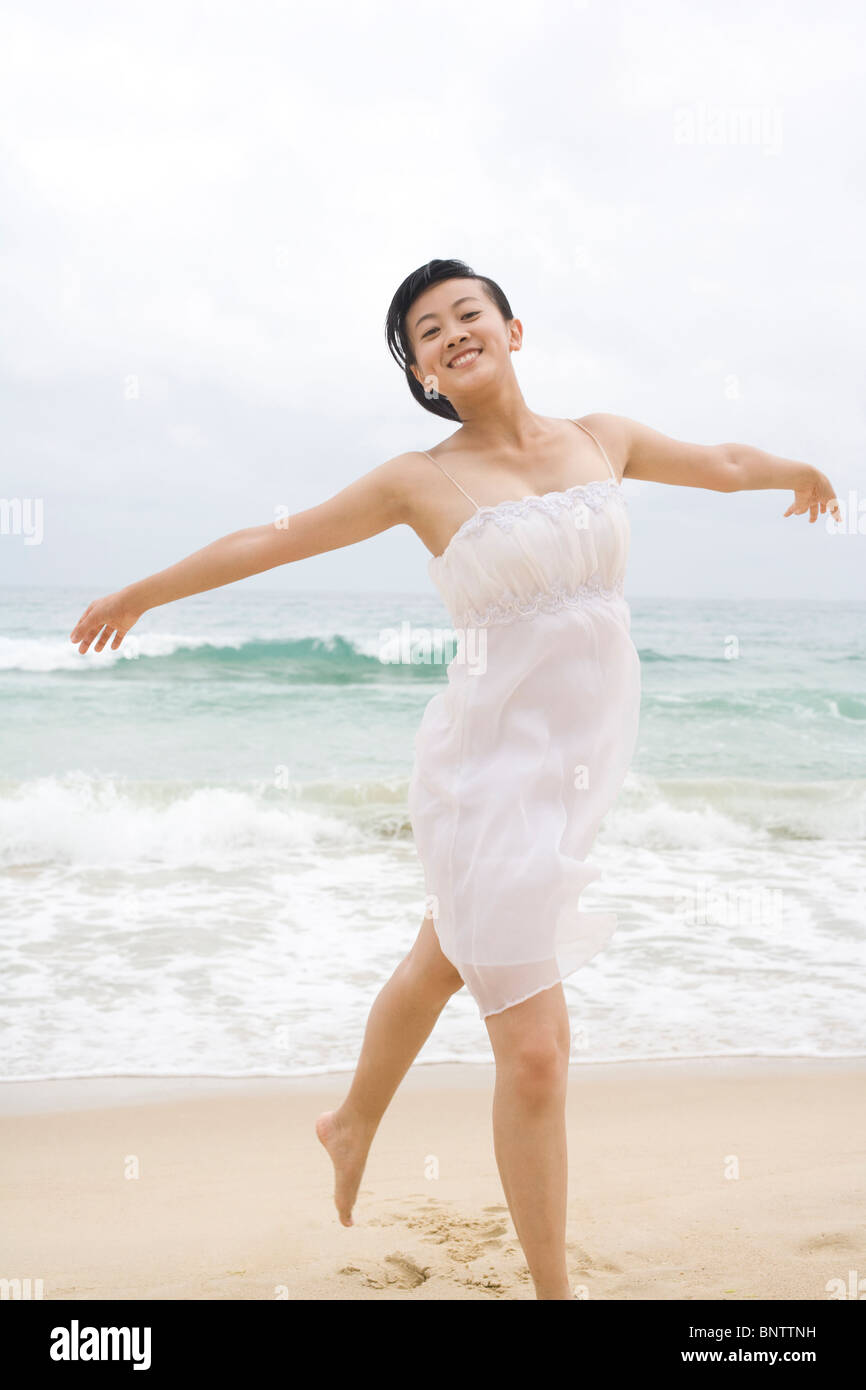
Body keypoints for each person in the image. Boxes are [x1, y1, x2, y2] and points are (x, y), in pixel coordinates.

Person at [69, 257, 840, 1301]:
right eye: (425, 333)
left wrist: (796, 471)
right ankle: (552, 1291)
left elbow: (718, 455)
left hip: (573, 779)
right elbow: (276, 538)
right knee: (533, 1050)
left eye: (466, 313)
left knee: (443, 954)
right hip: (484, 779)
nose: (449, 333)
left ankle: (348, 1124)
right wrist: (142, 590)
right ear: (425, 376)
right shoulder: (416, 481)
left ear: (512, 330)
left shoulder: (600, 438)